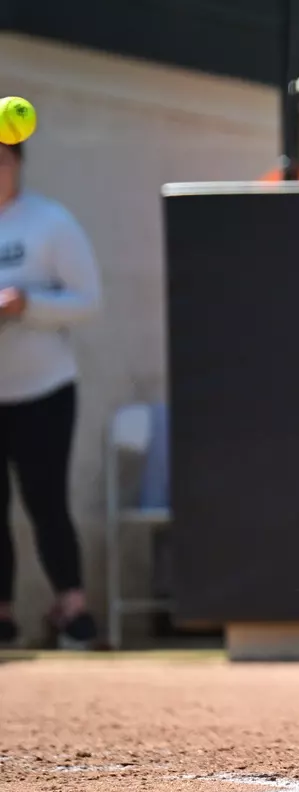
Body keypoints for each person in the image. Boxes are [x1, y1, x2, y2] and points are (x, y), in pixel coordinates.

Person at [0, 139, 103, 651]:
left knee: (46, 501)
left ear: (18, 164)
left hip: (45, 390)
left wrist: (28, 305)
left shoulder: (50, 222)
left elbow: (87, 300)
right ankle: (3, 614)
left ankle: (73, 608)